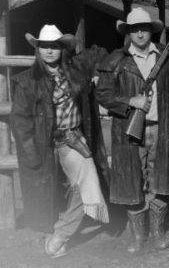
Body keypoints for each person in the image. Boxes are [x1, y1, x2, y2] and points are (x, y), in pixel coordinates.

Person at [10, 25, 109, 258]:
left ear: (63, 49)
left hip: (73, 138)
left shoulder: (75, 70)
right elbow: (20, 121)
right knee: (45, 189)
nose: (49, 51)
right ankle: (50, 233)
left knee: (88, 187)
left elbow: (100, 52)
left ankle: (60, 235)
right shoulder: (27, 81)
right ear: (38, 49)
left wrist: (98, 72)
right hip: (43, 144)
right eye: (44, 46)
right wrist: (31, 153)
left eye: (54, 46)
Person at [95, 7, 169, 253]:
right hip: (128, 130)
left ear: (150, 31)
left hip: (161, 129)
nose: (139, 34)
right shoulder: (116, 59)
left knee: (160, 180)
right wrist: (130, 102)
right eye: (134, 29)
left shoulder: (167, 58)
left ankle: (157, 232)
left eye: (143, 29)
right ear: (128, 32)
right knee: (132, 182)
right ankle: (138, 236)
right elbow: (103, 94)